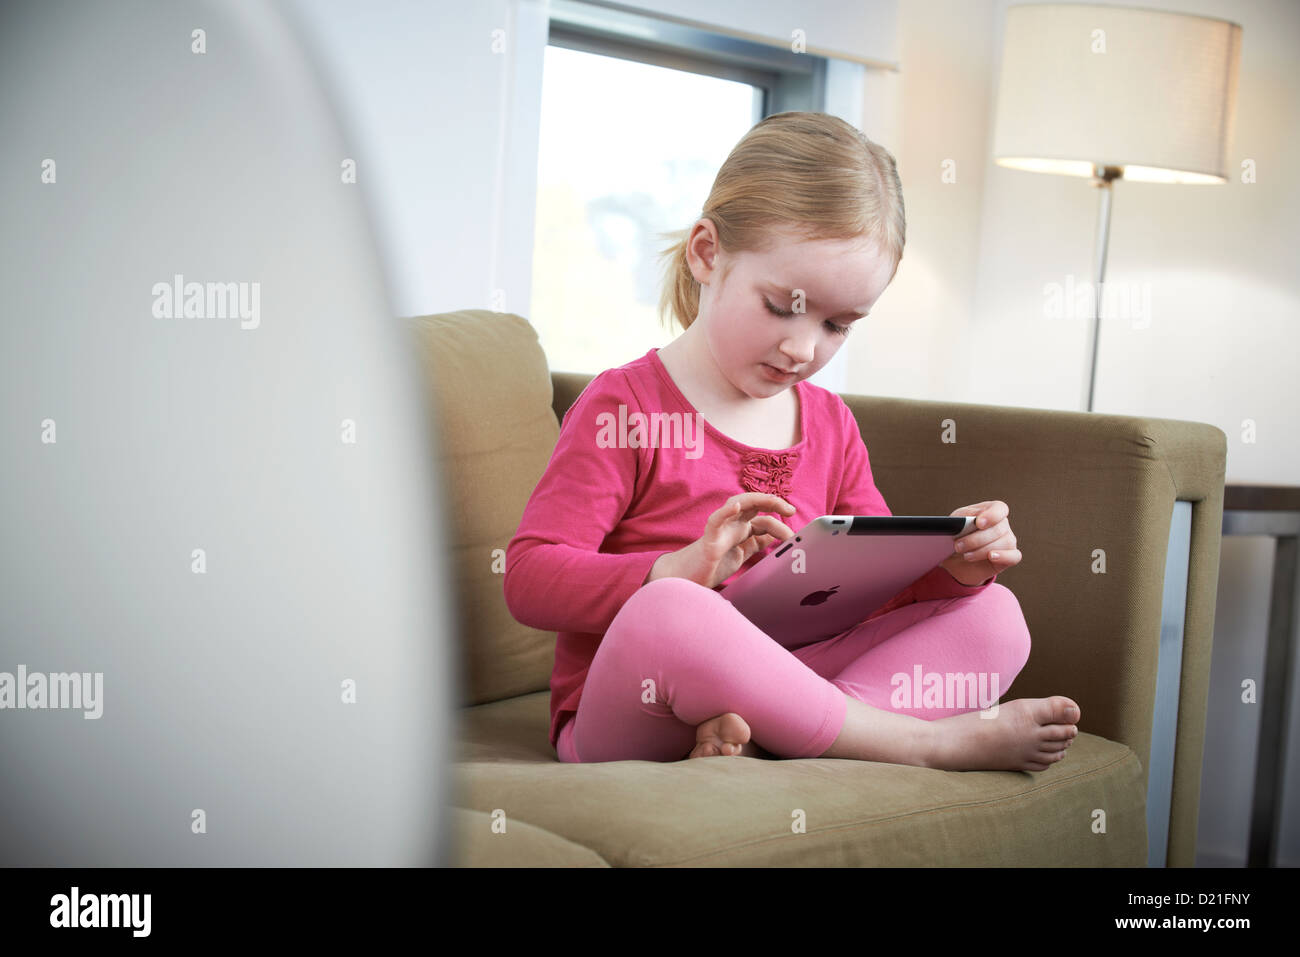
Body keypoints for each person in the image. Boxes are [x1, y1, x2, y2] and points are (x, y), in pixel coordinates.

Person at [504, 111, 1080, 770]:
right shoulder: (625, 406)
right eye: (783, 306)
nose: (803, 347)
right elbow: (527, 577)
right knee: (673, 608)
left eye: (838, 324)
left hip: (791, 678)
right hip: (638, 706)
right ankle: (915, 742)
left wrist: (951, 570)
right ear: (706, 253)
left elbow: (875, 589)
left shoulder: (831, 423)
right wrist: (672, 569)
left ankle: (789, 734)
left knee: (998, 617)